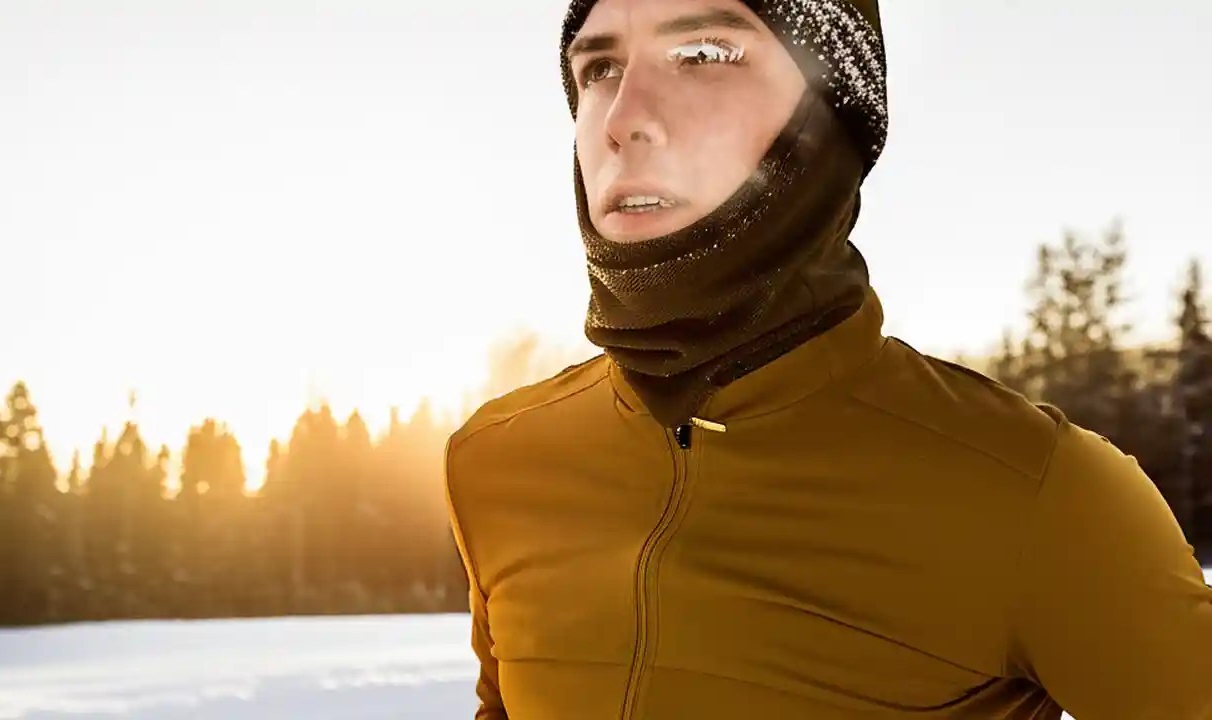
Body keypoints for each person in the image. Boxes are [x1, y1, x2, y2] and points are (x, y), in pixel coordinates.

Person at [442, 0, 1212, 717]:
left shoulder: (1042, 492)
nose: (624, 118)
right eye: (599, 69)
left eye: (704, 53)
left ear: (829, 118)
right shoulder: (496, 459)